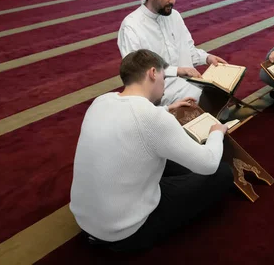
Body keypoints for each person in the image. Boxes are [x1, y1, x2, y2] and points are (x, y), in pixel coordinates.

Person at [70, 49, 233, 252]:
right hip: (125, 234)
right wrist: (217, 131)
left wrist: (167, 108)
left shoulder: (101, 101)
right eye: (164, 78)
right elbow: (208, 164)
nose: (164, 86)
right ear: (153, 73)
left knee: (163, 159)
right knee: (222, 173)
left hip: (85, 221)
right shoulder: (153, 119)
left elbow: (135, 118)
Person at [117, 0, 227, 106]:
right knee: (208, 100)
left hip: (189, 82)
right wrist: (176, 71)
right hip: (159, 92)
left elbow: (188, 50)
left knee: (223, 90)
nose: (172, 1)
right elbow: (136, 71)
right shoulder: (131, 25)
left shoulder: (174, 16)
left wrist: (207, 58)